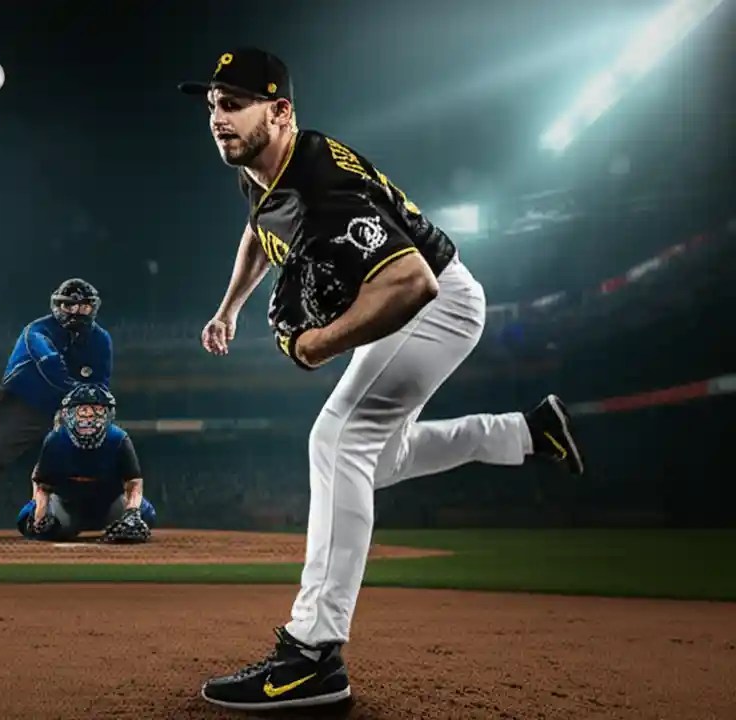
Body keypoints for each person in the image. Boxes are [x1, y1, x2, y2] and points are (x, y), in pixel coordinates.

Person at [177, 47, 586, 710]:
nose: (219, 118)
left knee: (336, 442)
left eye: (236, 103)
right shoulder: (256, 164)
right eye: (213, 106)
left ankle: (314, 653)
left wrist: (316, 344)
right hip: (403, 296)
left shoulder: (321, 182)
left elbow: (410, 281)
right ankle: (528, 432)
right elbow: (258, 230)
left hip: (434, 302)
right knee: (376, 455)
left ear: (280, 111)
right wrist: (229, 308)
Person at [0, 278, 114, 540]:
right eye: (70, 306)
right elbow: (52, 369)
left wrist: (84, 411)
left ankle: (116, 514)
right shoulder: (36, 331)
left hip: (75, 410)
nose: (77, 312)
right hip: (25, 407)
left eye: (84, 307)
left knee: (112, 447)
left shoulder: (101, 339)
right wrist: (78, 393)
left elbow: (102, 386)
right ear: (57, 306)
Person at [15, 384, 156, 543]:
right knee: (28, 518)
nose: (89, 417)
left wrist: (131, 514)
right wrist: (40, 517)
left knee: (145, 515)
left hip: (109, 505)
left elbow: (134, 483)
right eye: (83, 411)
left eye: (96, 411)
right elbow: (43, 485)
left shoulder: (119, 439)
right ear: (69, 415)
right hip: (67, 506)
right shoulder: (55, 440)